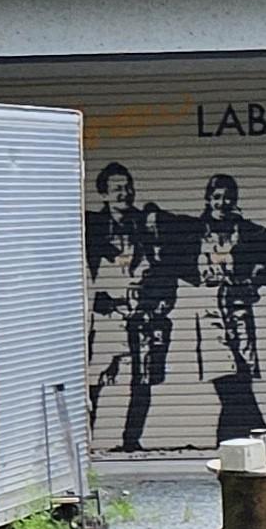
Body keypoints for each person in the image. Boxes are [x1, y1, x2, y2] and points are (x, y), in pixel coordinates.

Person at [84, 162, 184, 452]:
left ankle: (131, 440)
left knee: (141, 379)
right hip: (105, 315)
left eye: (127, 188)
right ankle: (86, 440)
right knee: (96, 376)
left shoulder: (147, 225)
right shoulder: (91, 225)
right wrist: (101, 303)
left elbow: (164, 266)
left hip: (142, 315)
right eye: (116, 189)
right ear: (103, 193)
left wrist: (160, 304)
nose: (124, 194)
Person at [190, 172, 266, 438]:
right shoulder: (193, 230)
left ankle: (232, 444)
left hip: (238, 308)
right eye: (216, 197)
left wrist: (255, 282)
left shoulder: (249, 231)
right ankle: (260, 437)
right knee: (225, 379)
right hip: (209, 311)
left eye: (227, 198)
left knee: (241, 378)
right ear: (207, 199)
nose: (221, 203)